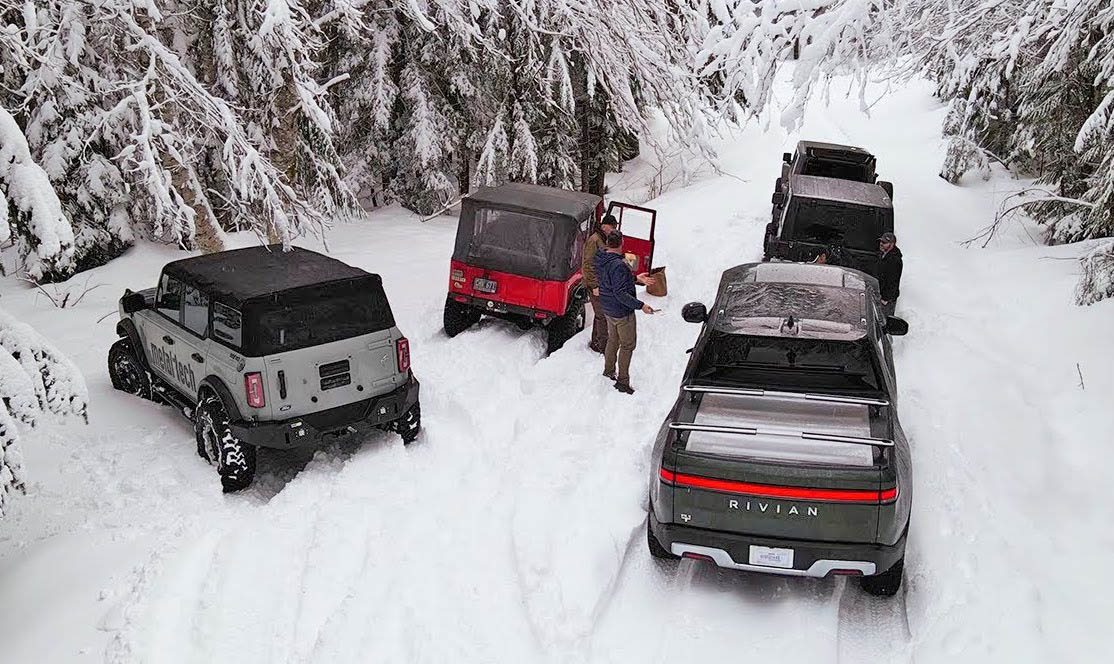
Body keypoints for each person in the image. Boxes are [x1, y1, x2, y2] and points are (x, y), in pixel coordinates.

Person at [594, 231, 655, 394]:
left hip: (607, 307)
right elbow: (620, 293)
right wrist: (641, 305)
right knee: (627, 345)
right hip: (621, 311)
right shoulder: (619, 265)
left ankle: (608, 371)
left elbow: (614, 281)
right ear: (622, 242)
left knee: (613, 339)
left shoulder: (601, 257)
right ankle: (622, 381)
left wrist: (635, 278)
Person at [582, 214, 617, 353]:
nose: (613, 229)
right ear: (603, 226)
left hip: (603, 283)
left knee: (601, 314)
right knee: (602, 315)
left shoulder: (604, 239)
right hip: (595, 285)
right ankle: (602, 346)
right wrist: (594, 286)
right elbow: (587, 265)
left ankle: (597, 342)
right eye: (611, 227)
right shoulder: (594, 240)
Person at [877, 232, 903, 317]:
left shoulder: (894, 260)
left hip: (887, 300)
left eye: (884, 242)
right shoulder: (883, 254)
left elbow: (893, 281)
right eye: (881, 241)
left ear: (892, 244)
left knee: (883, 320)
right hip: (880, 295)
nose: (881, 244)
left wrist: (886, 298)